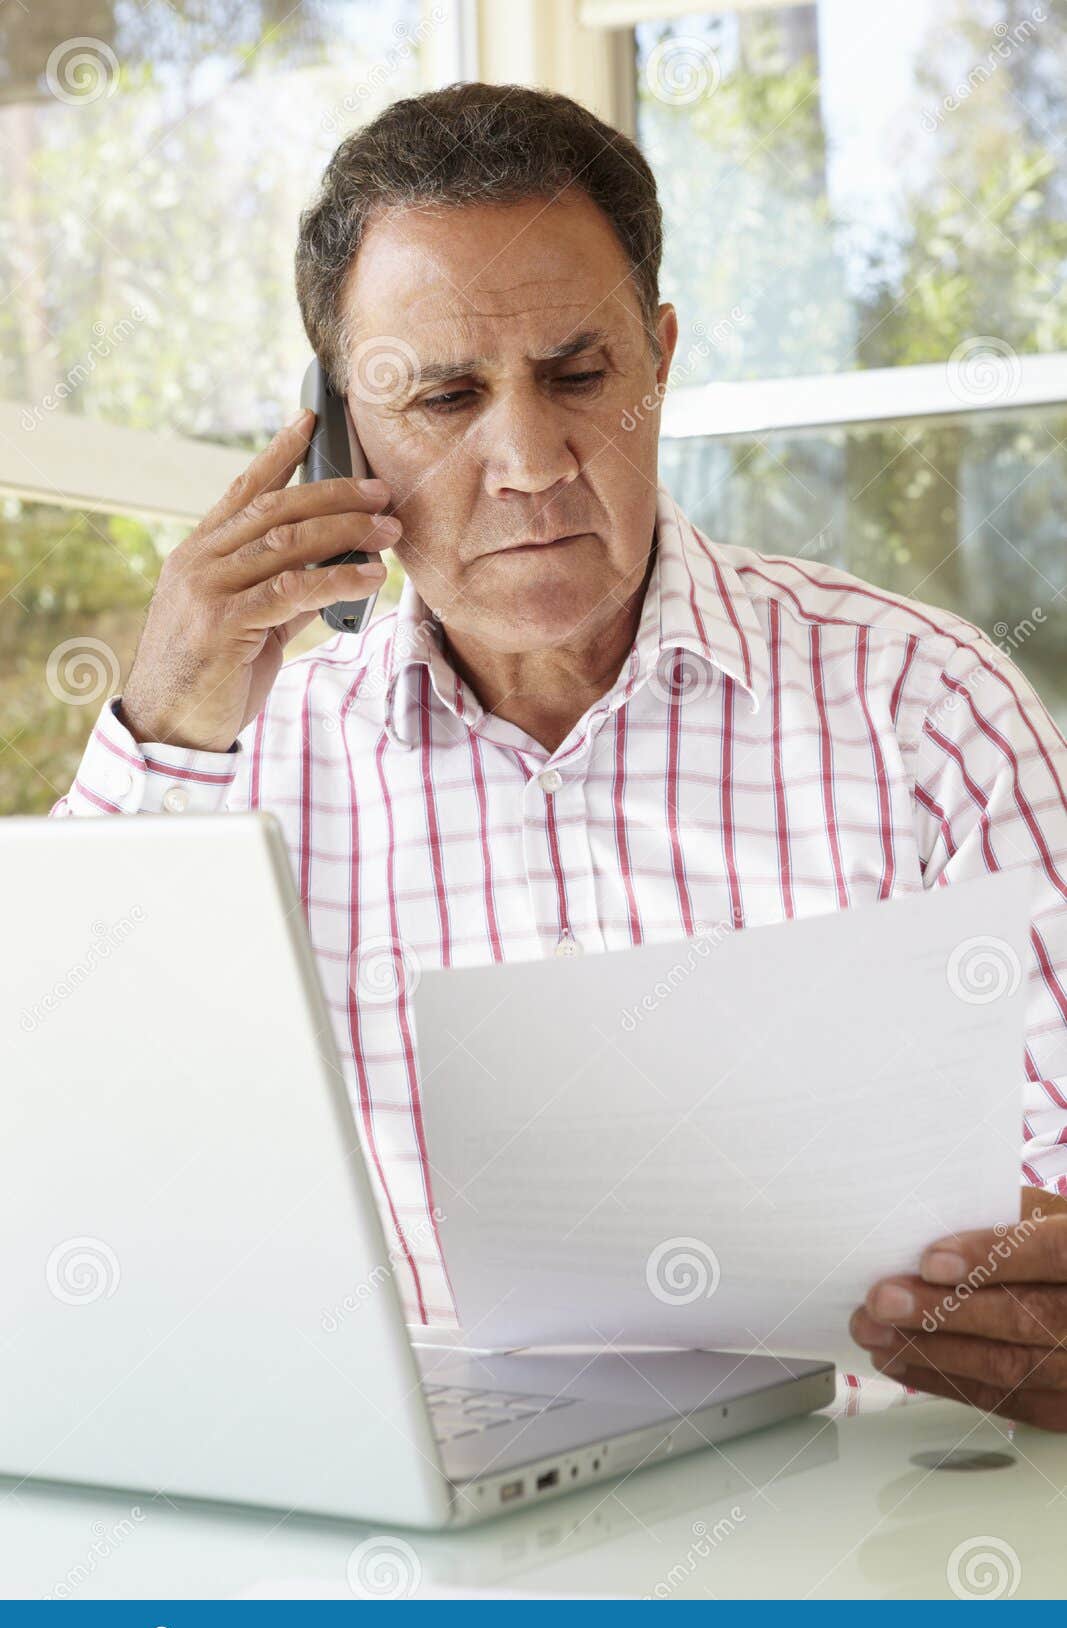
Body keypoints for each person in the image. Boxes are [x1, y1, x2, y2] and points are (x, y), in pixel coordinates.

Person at [55, 83, 1067, 1428]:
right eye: (445, 396)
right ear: (342, 432)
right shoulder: (240, 769)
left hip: (869, 1543)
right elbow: (64, 1180)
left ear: (658, 359)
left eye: (579, 376)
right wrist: (167, 724)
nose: (529, 460)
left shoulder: (927, 710)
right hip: (428, 1566)